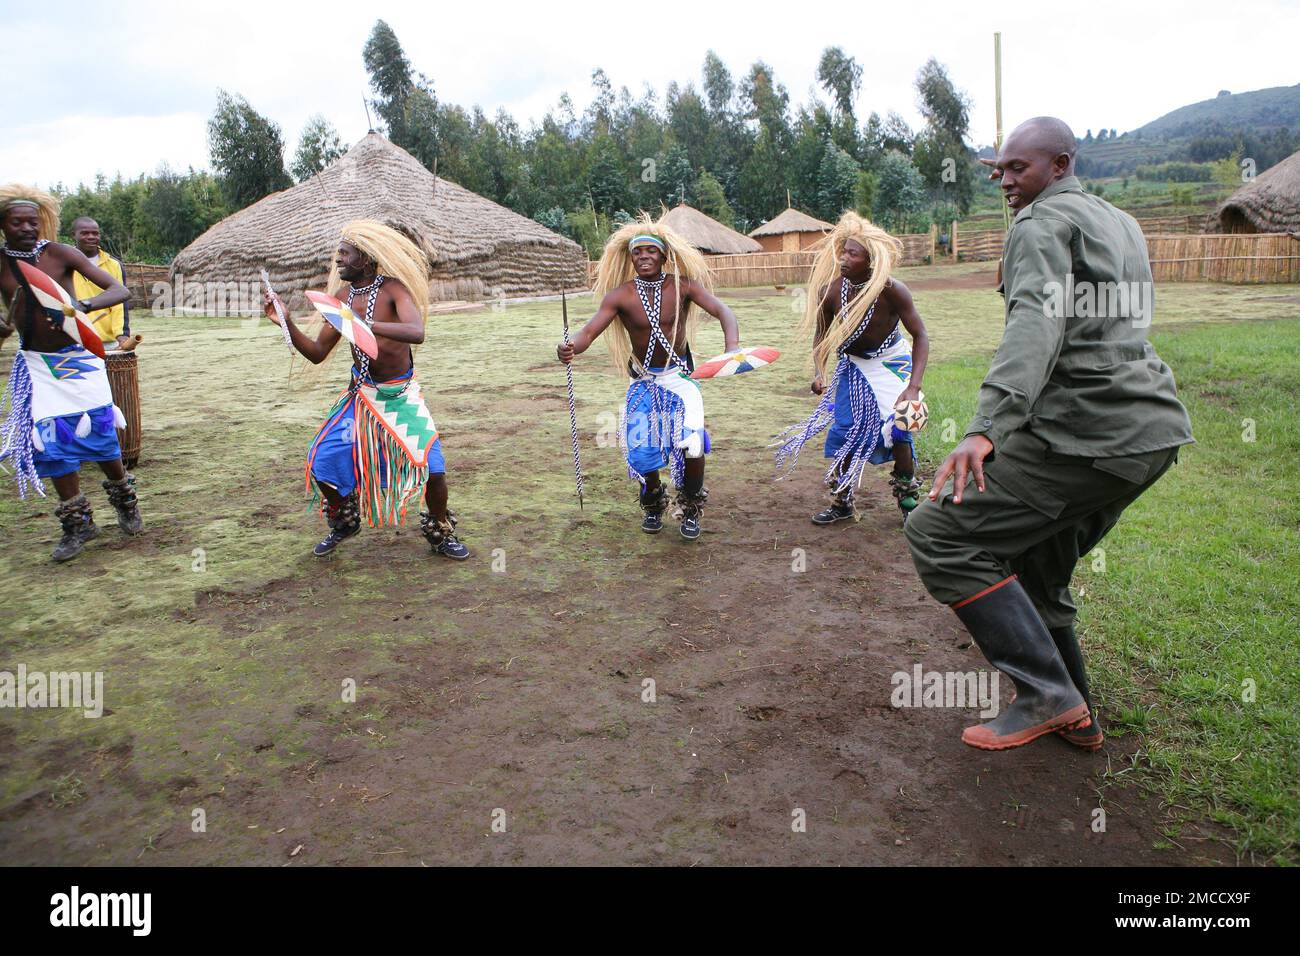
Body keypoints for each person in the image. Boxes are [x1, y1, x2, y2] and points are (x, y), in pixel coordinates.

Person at [903, 117, 1195, 751]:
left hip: (1089, 432)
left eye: (1019, 169)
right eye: (999, 171)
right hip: (1150, 431)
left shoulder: (1040, 224)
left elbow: (1037, 321)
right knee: (1037, 563)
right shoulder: (1119, 221)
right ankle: (1077, 713)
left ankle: (1043, 693)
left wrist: (986, 428)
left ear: (1059, 164)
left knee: (938, 530)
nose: (1006, 181)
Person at [263, 219, 469, 560]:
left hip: (400, 396)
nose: (338, 260)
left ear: (367, 257)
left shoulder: (393, 290)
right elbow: (316, 353)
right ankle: (344, 519)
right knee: (322, 460)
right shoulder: (342, 300)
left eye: (345, 253)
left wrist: (362, 325)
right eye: (338, 254)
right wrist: (286, 320)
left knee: (433, 467)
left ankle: (441, 529)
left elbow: (416, 331)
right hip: (361, 397)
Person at [557, 216, 740, 540]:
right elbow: (589, 331)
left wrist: (731, 350)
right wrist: (571, 347)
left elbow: (724, 311)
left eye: (650, 251)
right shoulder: (620, 296)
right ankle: (654, 502)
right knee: (642, 454)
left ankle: (691, 508)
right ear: (630, 258)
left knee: (692, 444)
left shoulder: (683, 286)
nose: (643, 257)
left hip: (680, 381)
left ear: (663, 256)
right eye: (637, 252)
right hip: (642, 383)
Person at [0, 185, 143, 561]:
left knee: (100, 437)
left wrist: (79, 306)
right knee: (51, 441)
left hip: (79, 359)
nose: (27, 228)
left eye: (33, 221)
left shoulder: (60, 254)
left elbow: (119, 290)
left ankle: (125, 501)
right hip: (39, 366)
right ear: (4, 225)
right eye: (18, 223)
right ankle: (78, 521)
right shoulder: (1, 265)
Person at [773, 212, 930, 522]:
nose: (843, 258)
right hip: (853, 368)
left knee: (900, 430)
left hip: (891, 363)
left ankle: (909, 503)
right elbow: (821, 337)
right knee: (843, 432)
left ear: (870, 260)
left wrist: (913, 386)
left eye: (852, 253)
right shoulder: (830, 292)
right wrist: (819, 371)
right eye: (842, 251)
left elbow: (921, 335)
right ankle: (842, 503)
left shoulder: (892, 290)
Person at [70, 217, 133, 348]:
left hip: (107, 341)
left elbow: (119, 304)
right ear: (73, 235)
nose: (91, 237)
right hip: (74, 340)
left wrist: (121, 334)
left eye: (95, 233)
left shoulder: (114, 265)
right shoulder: (64, 264)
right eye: (84, 233)